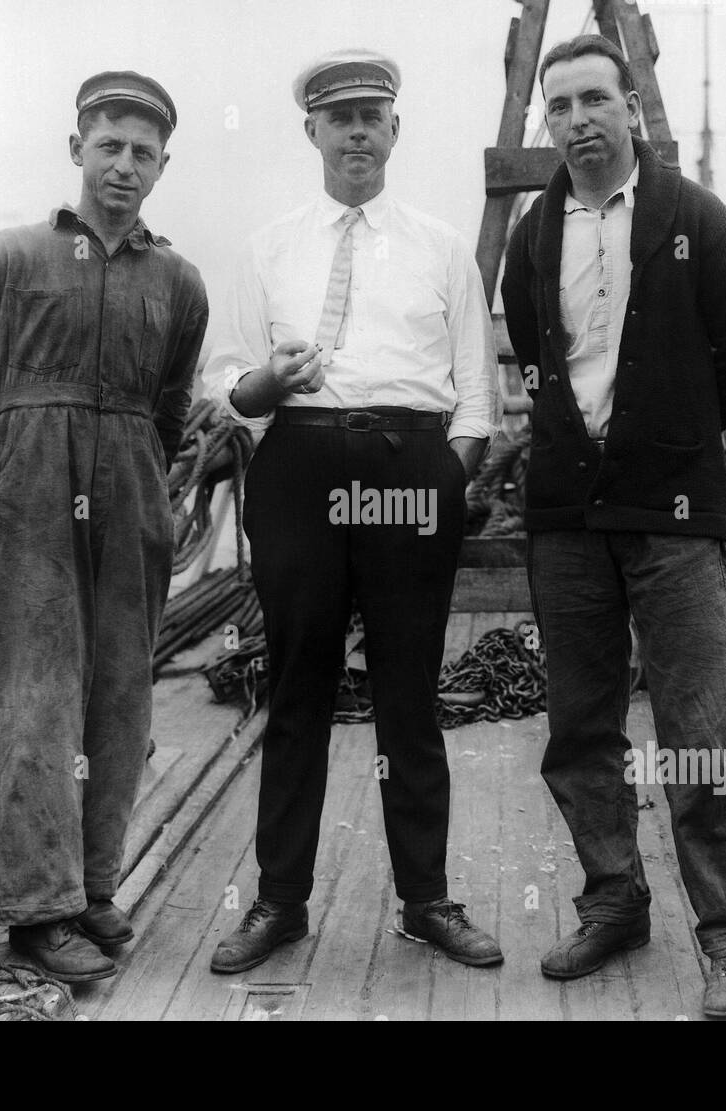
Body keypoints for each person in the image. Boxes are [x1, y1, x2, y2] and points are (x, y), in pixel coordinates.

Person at [202, 49, 503, 973]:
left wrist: (445, 480)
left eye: (374, 115)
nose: (359, 131)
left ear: (396, 129)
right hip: (298, 469)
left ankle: (427, 900)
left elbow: (476, 395)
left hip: (409, 467)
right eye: (341, 118)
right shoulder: (269, 246)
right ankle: (281, 903)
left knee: (410, 692)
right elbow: (226, 387)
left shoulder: (443, 246)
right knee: (297, 689)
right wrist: (264, 383)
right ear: (314, 134)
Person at [0, 71, 207, 982]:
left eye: (143, 152)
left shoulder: (179, 280)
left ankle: (93, 889)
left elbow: (171, 404)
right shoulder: (8, 255)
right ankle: (37, 913)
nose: (124, 165)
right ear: (76, 148)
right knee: (35, 697)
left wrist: (144, 480)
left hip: (131, 497)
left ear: (162, 166)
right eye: (108, 145)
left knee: (119, 693)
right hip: (29, 490)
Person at [500, 34, 726, 1018]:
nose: (576, 121)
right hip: (567, 514)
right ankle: (614, 899)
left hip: (674, 513)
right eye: (558, 105)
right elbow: (536, 350)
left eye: (592, 100)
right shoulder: (537, 232)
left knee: (695, 731)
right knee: (579, 727)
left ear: (628, 109)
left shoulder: (695, 218)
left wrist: (665, 436)